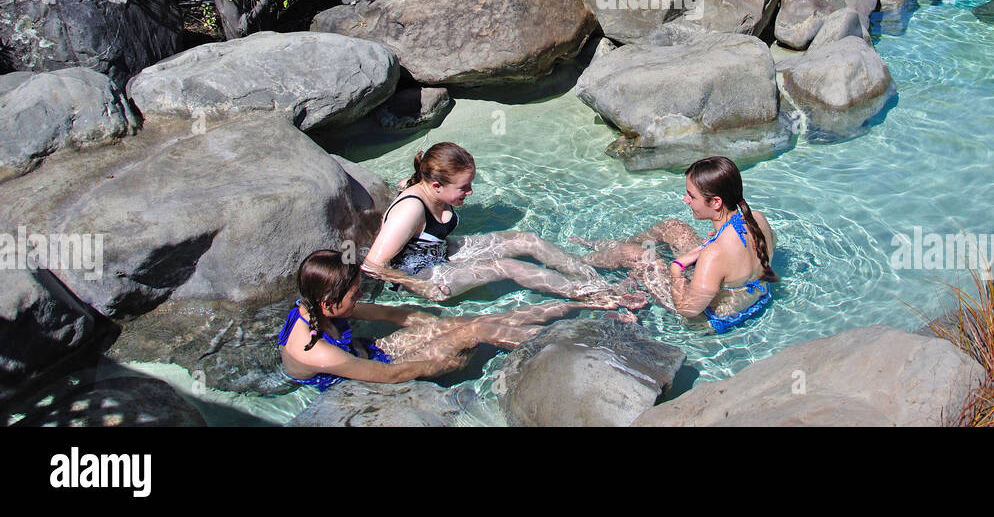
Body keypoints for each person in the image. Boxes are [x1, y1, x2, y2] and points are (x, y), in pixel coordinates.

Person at [278, 249, 638, 391]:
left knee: (484, 320)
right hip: (371, 374)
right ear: (328, 304)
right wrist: (440, 356)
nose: (360, 300)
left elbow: (394, 313)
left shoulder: (320, 304)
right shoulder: (315, 350)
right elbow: (390, 375)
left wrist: (440, 325)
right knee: (477, 332)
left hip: (369, 353)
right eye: (355, 295)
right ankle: (574, 344)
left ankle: (588, 305)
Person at [361, 143, 623, 303]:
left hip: (441, 251)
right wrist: (418, 285)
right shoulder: (410, 210)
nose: (471, 192)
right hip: (424, 276)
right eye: (464, 188)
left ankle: (593, 279)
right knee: (507, 267)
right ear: (436, 186)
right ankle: (585, 293)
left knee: (526, 239)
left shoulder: (426, 184)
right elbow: (372, 266)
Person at [576, 156, 777, 334]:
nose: (685, 199)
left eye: (692, 195)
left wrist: (677, 268)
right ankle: (608, 247)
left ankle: (578, 262)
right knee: (674, 227)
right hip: (755, 295)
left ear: (716, 202)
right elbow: (753, 250)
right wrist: (720, 242)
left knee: (640, 257)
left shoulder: (715, 254)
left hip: (712, 319)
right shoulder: (756, 218)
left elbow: (688, 309)